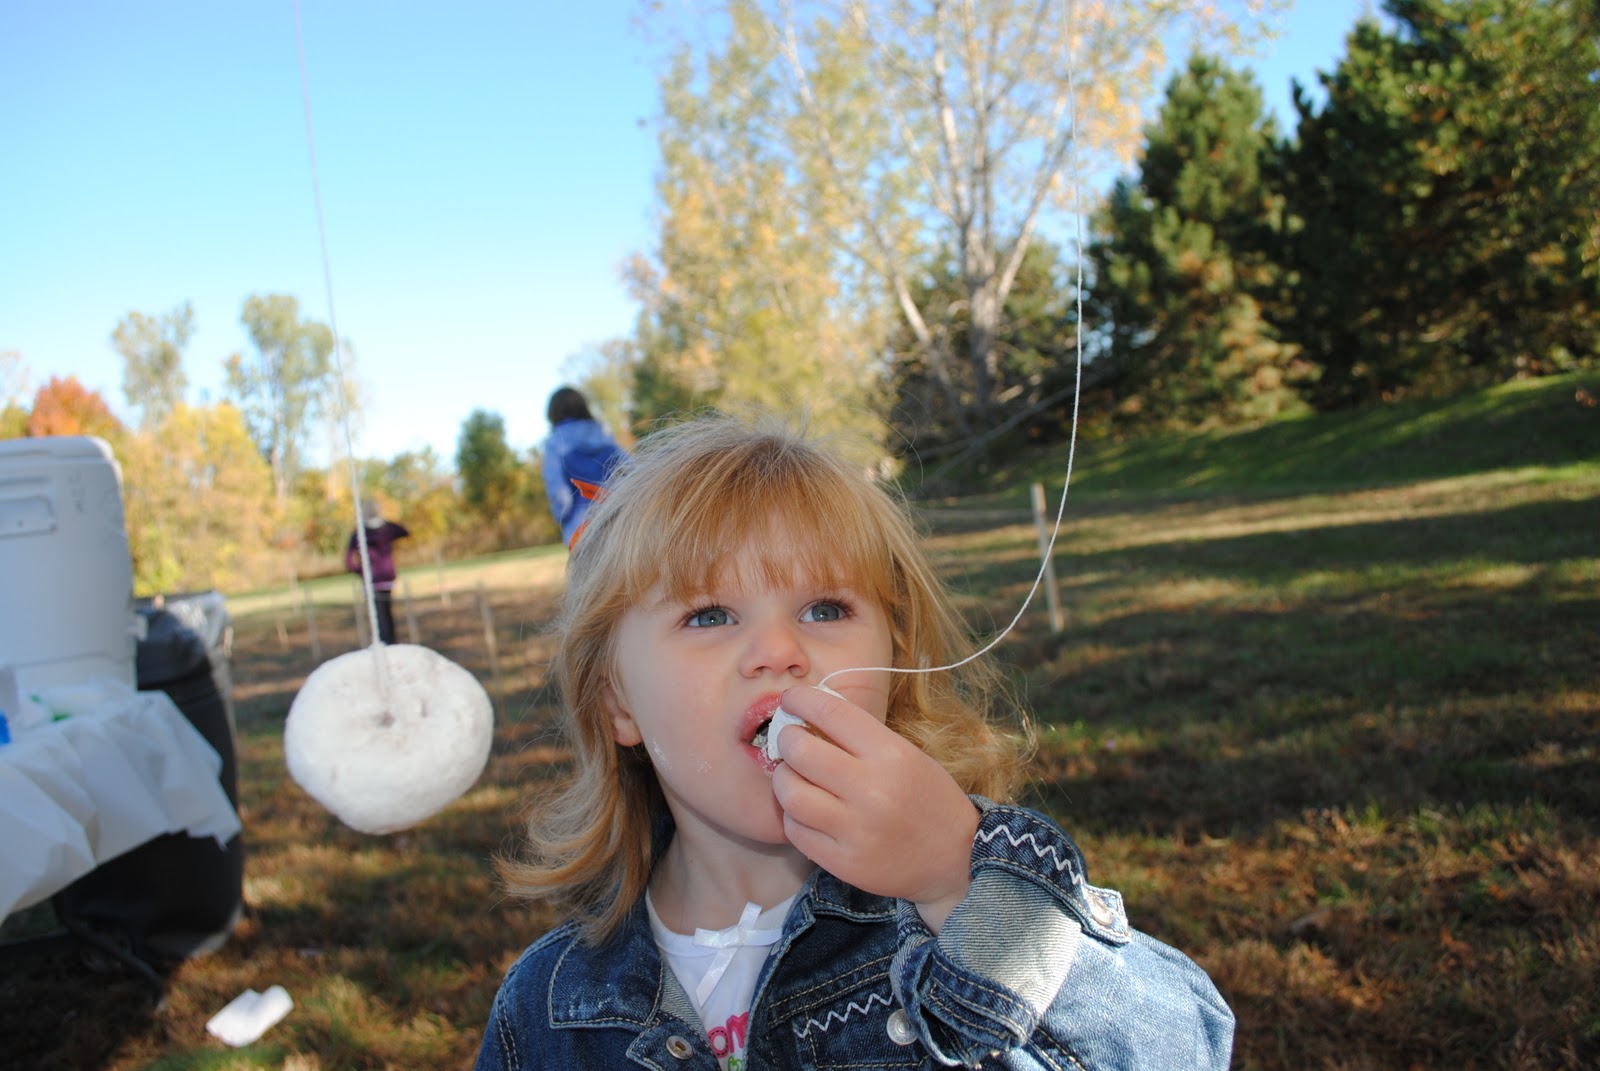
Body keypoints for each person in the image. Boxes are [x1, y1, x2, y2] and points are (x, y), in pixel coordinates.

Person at [475, 413, 1234, 1070]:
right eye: (709, 615)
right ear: (617, 702)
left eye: (825, 607)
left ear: (895, 662)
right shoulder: (549, 1008)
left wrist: (960, 883)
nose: (778, 649)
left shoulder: (949, 908)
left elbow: (1186, 1043)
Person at [541, 385, 628, 548]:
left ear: (553, 413)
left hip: (581, 529)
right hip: (617, 522)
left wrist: (561, 518)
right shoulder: (604, 436)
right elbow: (632, 471)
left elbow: (560, 495)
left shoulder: (554, 443)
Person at [345, 500, 409, 645]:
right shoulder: (385, 529)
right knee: (385, 612)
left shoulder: (361, 532)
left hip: (372, 579)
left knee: (379, 614)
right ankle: (389, 642)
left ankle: (386, 642)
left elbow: (348, 558)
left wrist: (359, 570)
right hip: (384, 577)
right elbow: (403, 530)